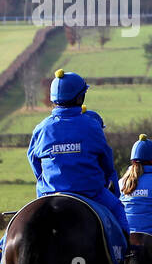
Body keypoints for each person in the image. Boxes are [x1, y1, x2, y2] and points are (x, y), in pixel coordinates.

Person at [28, 68, 129, 239]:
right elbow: (106, 162)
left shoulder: (42, 128)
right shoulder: (92, 126)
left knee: (8, 238)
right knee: (119, 212)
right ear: (80, 98)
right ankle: (126, 258)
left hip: (49, 194)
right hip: (91, 193)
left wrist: (47, 183)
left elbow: (34, 163)